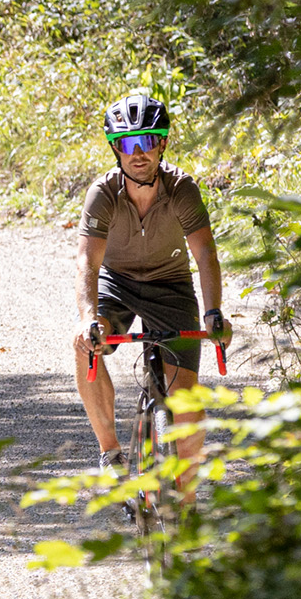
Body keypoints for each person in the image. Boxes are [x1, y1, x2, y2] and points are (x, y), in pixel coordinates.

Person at [72, 91, 231, 473]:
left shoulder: (182, 190)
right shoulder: (103, 193)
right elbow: (87, 261)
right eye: (128, 143)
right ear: (116, 149)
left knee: (187, 400)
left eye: (147, 141)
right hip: (117, 284)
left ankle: (185, 507)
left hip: (171, 287)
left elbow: (205, 254)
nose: (138, 153)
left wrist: (213, 312)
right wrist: (88, 317)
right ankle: (111, 452)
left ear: (161, 145)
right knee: (83, 346)